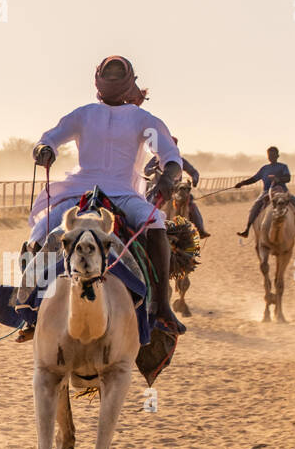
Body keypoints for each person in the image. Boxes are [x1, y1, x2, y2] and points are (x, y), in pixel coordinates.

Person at [27, 54, 184, 334]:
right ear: (99, 78)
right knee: (39, 233)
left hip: (123, 193)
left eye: (117, 74)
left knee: (156, 222)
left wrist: (169, 176)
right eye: (107, 73)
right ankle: (27, 307)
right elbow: (49, 138)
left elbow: (170, 155)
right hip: (78, 192)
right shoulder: (83, 114)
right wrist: (44, 150)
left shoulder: (143, 119)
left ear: (129, 80)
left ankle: (161, 305)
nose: (112, 78)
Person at [235, 146, 295, 237]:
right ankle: (247, 230)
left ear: (277, 156)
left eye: (273, 155)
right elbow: (254, 179)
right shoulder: (264, 168)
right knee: (255, 206)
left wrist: (278, 179)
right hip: (266, 192)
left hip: (283, 192)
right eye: (269, 155)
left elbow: (288, 178)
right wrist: (241, 183)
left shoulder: (283, 167)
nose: (271, 157)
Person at [144, 142, 209, 238]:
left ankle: (200, 229)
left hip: (176, 190)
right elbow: (146, 171)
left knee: (190, 201)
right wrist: (154, 169)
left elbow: (194, 172)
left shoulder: (179, 160)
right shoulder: (156, 159)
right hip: (158, 190)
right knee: (150, 204)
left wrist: (194, 179)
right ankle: (145, 226)